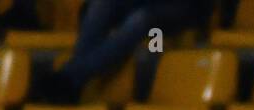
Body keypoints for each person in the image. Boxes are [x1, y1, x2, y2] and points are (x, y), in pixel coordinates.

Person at [43, 0, 215, 104]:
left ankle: (70, 78)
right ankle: (72, 79)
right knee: (101, 5)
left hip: (183, 7)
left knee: (139, 20)